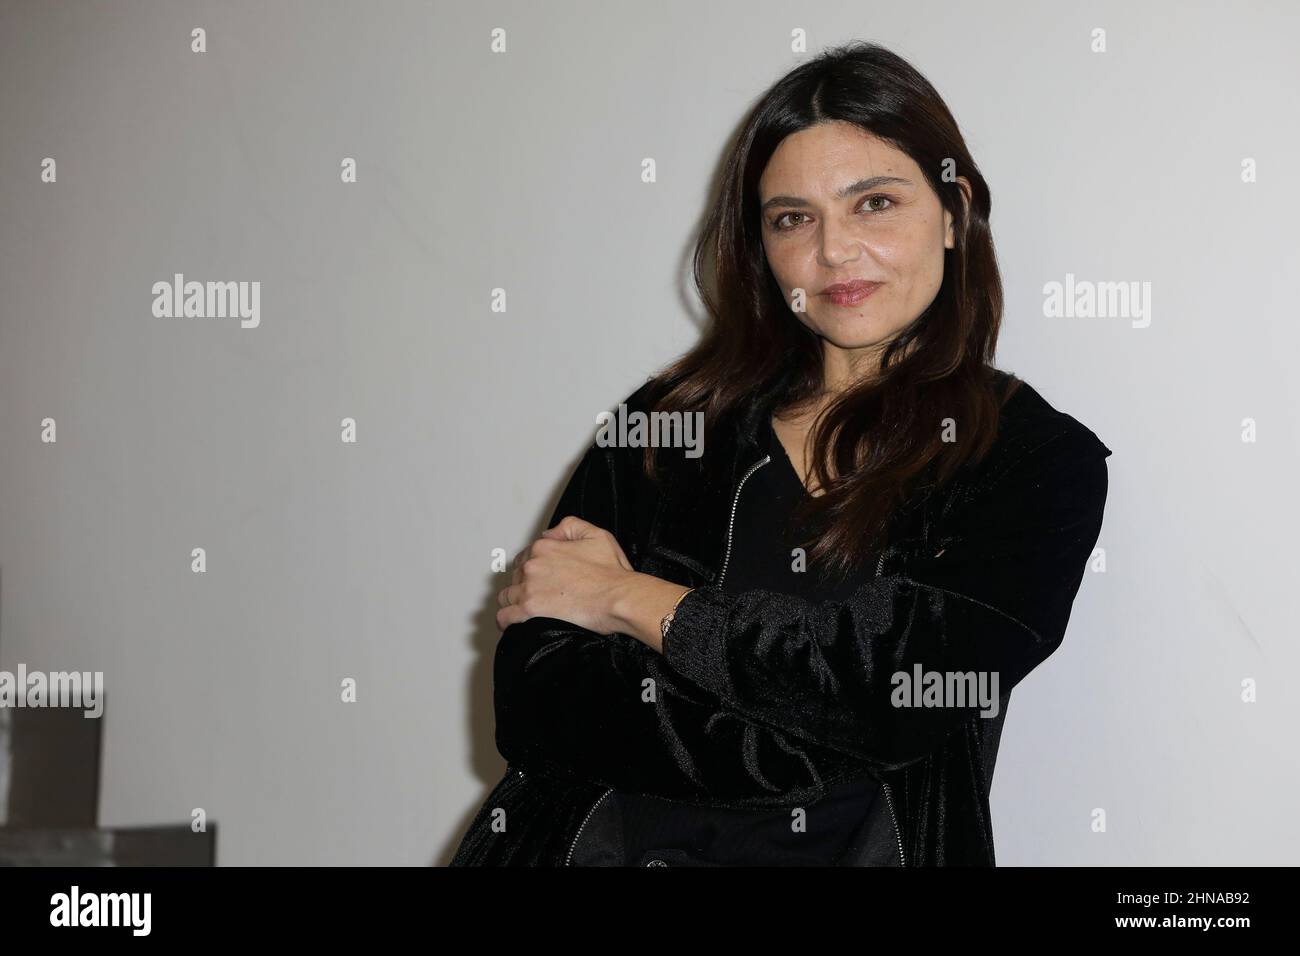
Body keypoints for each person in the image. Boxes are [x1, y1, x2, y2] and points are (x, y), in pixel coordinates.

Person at [450, 40, 1111, 867]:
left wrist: (632, 601)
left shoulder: (1035, 460)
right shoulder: (668, 422)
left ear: (953, 210)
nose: (834, 252)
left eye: (874, 203)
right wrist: (809, 712)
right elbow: (537, 702)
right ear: (761, 246)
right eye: (793, 218)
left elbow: (901, 695)